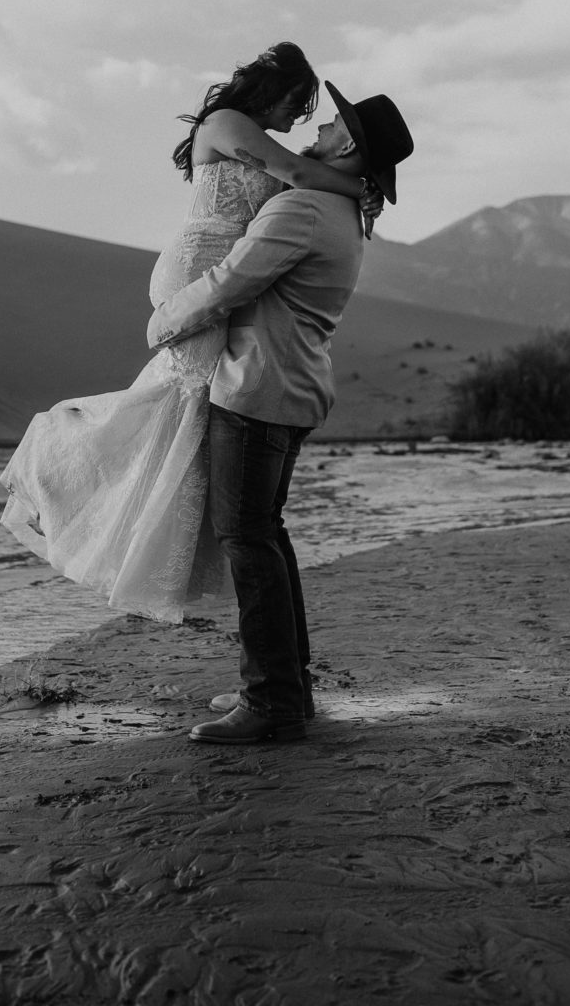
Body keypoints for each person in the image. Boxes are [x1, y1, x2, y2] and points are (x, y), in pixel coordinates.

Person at [0, 43, 384, 623]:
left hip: (226, 283)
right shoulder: (227, 122)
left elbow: (298, 187)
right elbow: (300, 174)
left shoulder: (282, 167)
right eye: (298, 105)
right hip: (198, 272)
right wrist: (364, 188)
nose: (301, 119)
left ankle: (167, 522)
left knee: (189, 411)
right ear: (272, 91)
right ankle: (66, 469)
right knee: (181, 402)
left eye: (314, 115)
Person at [146, 81, 414, 743]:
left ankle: (272, 700)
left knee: (248, 538)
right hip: (289, 386)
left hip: (258, 387)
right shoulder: (338, 212)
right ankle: (285, 685)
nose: (318, 128)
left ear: (347, 147)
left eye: (331, 124)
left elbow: (230, 282)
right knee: (264, 533)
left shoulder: (304, 208)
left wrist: (163, 321)